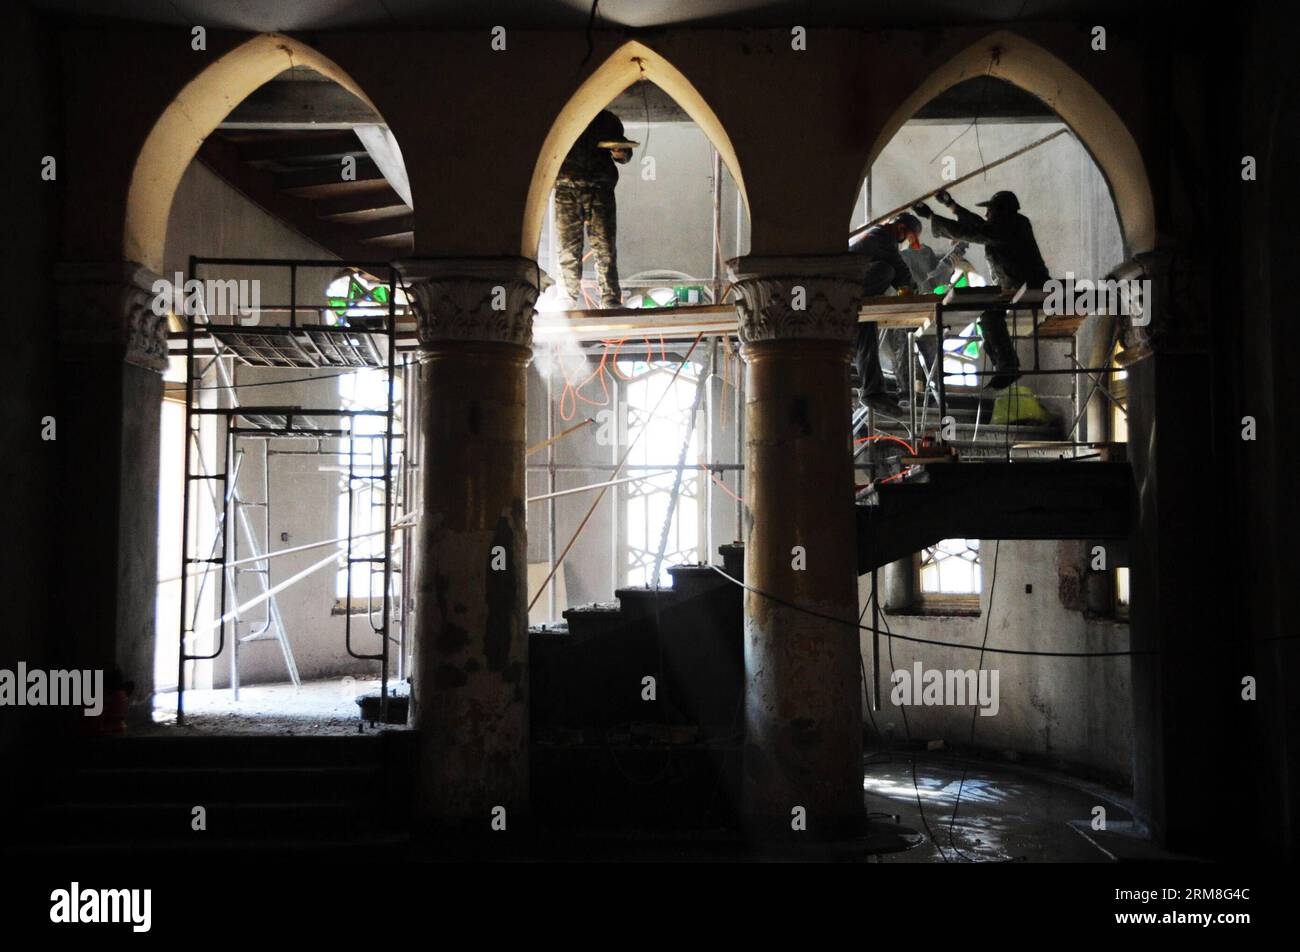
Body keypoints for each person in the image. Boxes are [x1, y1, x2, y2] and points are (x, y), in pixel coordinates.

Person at [912, 189, 1050, 389]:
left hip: (1028, 286)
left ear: (1002, 212)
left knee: (989, 318)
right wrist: (951, 204)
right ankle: (1004, 366)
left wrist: (931, 216)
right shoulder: (1011, 224)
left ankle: (1007, 366)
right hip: (1018, 287)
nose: (987, 215)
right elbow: (979, 224)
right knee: (988, 323)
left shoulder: (1010, 227)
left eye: (991, 211)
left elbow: (974, 231)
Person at [554, 110, 638, 308]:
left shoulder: (607, 120)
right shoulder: (564, 116)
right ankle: (566, 296)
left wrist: (621, 152)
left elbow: (623, 151)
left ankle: (609, 297)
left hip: (599, 187)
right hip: (567, 186)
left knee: (605, 246)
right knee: (567, 247)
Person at [847, 213, 924, 413]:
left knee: (868, 340)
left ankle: (872, 393)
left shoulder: (877, 236)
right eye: (907, 238)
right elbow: (900, 270)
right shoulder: (879, 236)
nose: (905, 243)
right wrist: (914, 291)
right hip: (844, 289)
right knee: (886, 270)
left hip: (856, 295)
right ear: (900, 229)